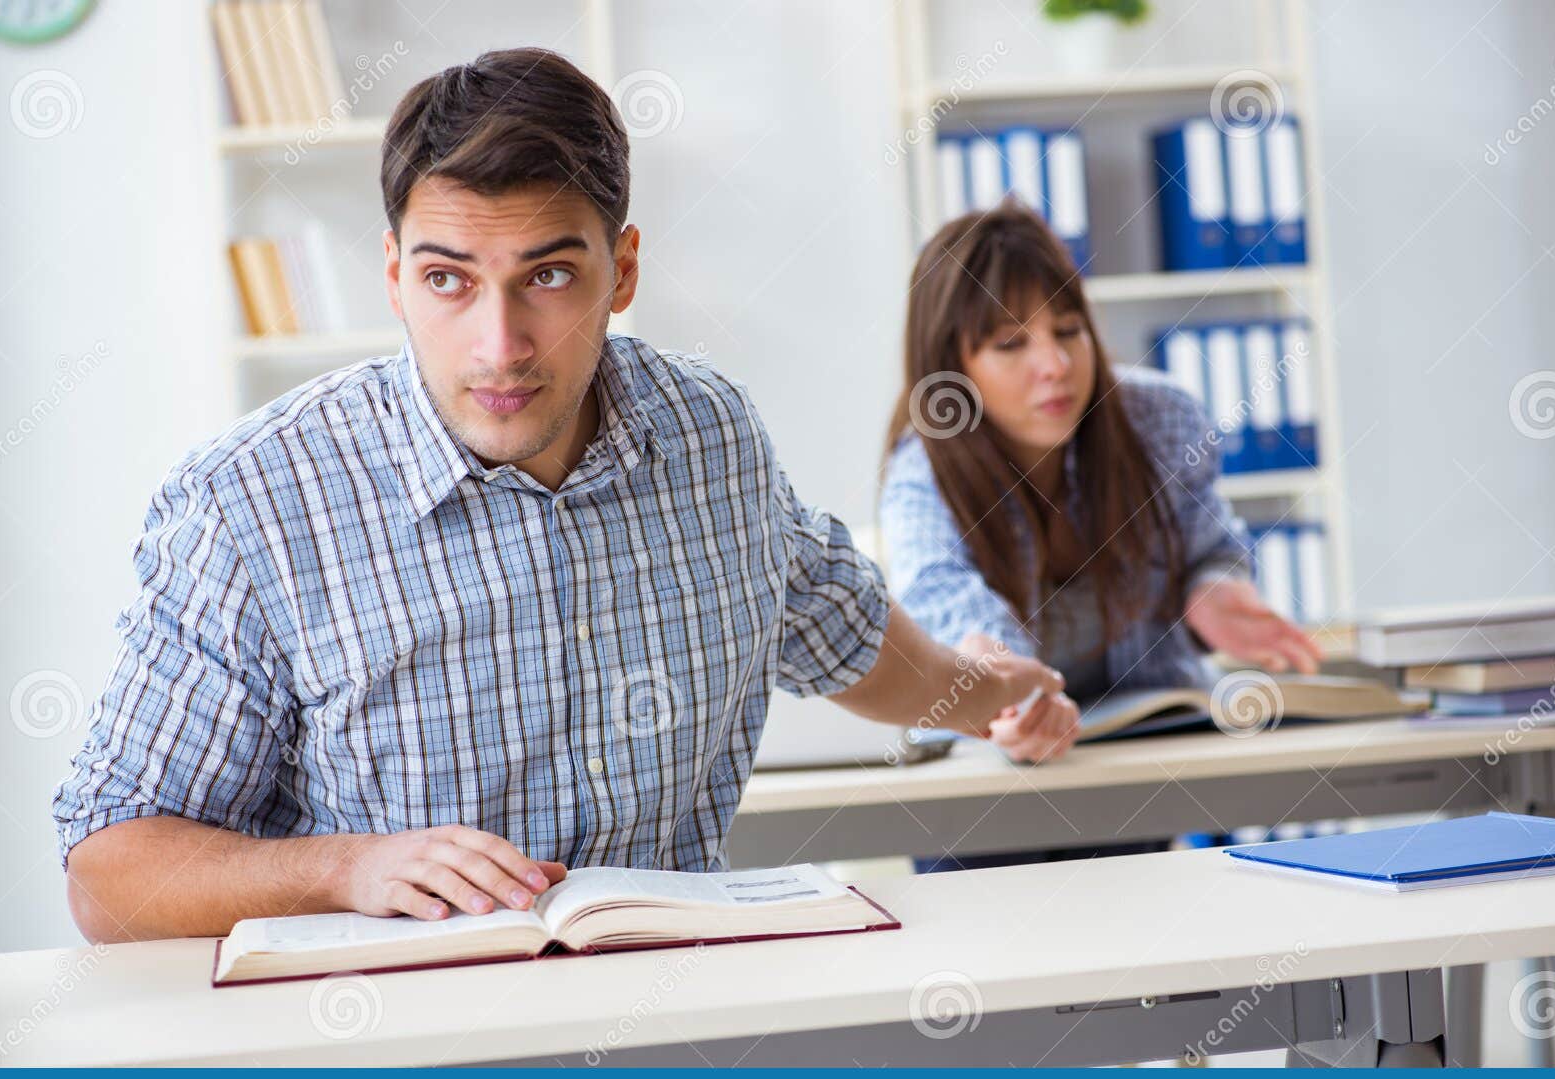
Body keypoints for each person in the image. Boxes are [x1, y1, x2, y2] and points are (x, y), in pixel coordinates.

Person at [53, 50, 1065, 943]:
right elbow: (110, 877)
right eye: (449, 280)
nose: (500, 346)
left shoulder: (711, 436)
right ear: (396, 275)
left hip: (670, 1044)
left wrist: (1001, 699)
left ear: (621, 272)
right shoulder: (252, 501)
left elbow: (835, 632)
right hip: (396, 1065)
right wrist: (347, 867)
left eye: (547, 276)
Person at [879, 200, 1322, 871]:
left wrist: (1214, 594)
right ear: (950, 366)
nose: (1054, 363)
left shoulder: (1160, 419)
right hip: (981, 806)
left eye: (1068, 329)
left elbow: (1213, 551)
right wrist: (1004, 691)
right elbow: (943, 599)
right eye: (1010, 343)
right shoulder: (923, 470)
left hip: (1129, 781)